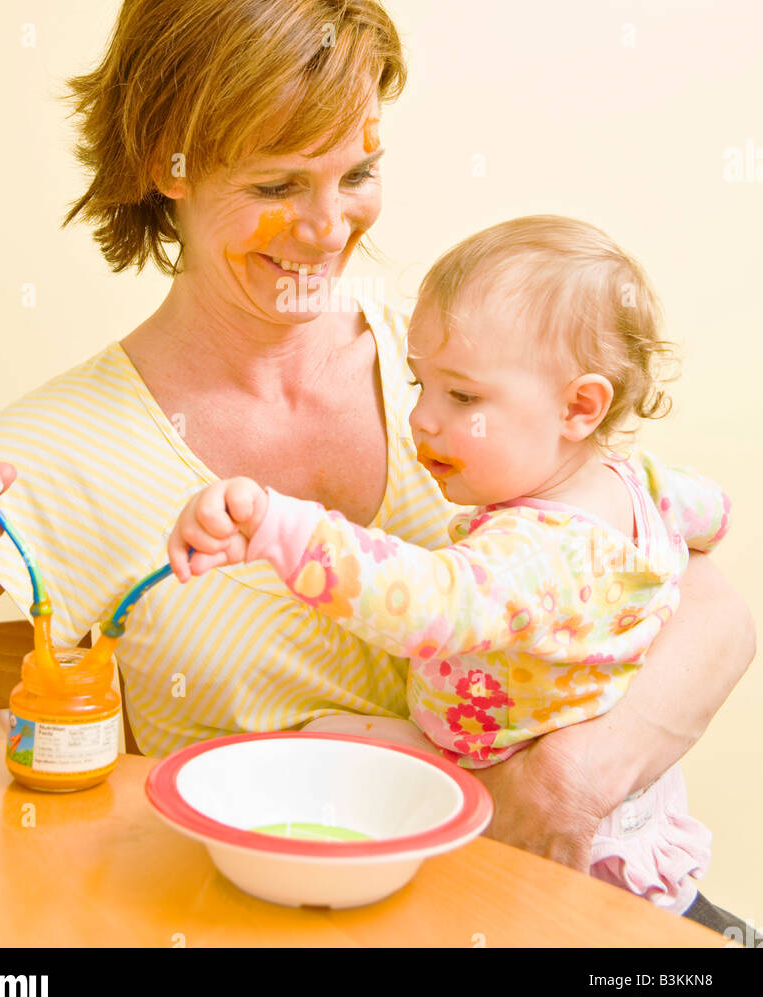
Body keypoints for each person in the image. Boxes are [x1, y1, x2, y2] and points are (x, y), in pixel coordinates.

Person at [0, 0, 754, 936]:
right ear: (159, 168)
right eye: (274, 186)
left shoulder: (453, 361)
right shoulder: (54, 453)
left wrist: (570, 781)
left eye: (357, 172)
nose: (326, 227)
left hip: (584, 907)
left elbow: (699, 593)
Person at [168, 214, 728, 914]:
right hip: (574, 781)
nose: (423, 421)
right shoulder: (639, 480)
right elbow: (714, 512)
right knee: (327, 742)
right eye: (418, 384)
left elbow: (430, 604)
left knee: (329, 762)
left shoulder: (538, 553)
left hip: (567, 849)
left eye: (462, 397)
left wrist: (283, 530)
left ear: (580, 407)